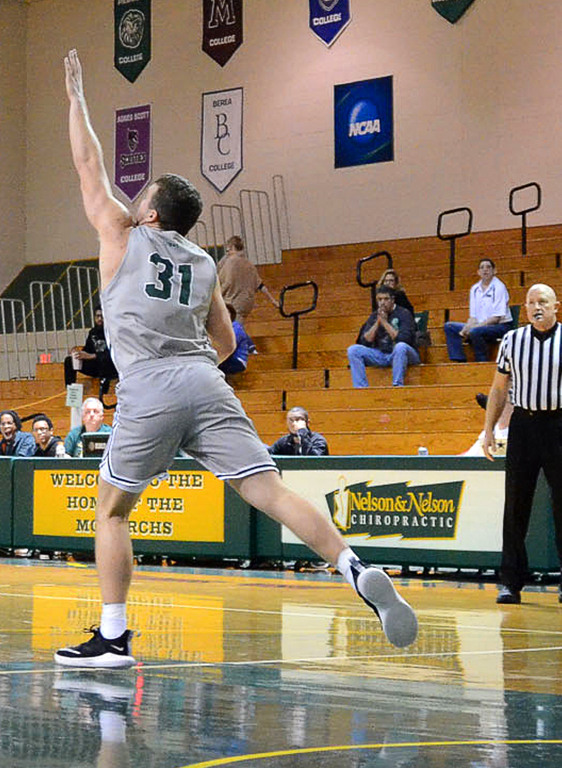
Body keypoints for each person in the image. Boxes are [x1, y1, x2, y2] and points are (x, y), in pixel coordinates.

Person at [52, 48, 415, 670]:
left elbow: (89, 162)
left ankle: (112, 636)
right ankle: (353, 565)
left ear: (151, 213)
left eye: (141, 194)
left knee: (110, 510)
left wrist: (77, 98)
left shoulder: (121, 232)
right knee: (270, 489)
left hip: (149, 383)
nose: (132, 198)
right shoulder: (202, 262)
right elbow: (226, 344)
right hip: (205, 380)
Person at [478, 284, 562, 606]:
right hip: (523, 424)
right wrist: (488, 429)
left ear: (556, 306)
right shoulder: (512, 340)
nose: (537, 307)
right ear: (525, 308)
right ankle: (510, 583)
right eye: (531, 302)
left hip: (560, 424)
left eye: (543, 302)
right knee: (515, 506)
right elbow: (498, 389)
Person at [347, 287, 418, 388]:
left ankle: (397, 385)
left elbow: (404, 339)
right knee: (353, 350)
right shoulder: (374, 315)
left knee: (400, 346)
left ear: (392, 300)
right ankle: (361, 388)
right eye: (380, 299)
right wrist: (378, 322)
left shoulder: (404, 314)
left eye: (386, 299)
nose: (382, 303)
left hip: (404, 354)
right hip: (382, 354)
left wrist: (385, 323)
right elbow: (365, 341)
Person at [444, 259, 511, 363]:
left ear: (494, 271)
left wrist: (473, 328)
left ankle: (482, 362)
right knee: (449, 327)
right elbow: (473, 317)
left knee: (475, 332)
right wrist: (466, 328)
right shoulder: (474, 289)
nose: (485, 270)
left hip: (500, 326)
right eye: (482, 267)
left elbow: (496, 318)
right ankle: (459, 360)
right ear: (478, 272)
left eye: (488, 267)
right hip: (480, 325)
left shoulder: (499, 287)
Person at [64, 307, 119, 399]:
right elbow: (87, 350)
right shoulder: (93, 332)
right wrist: (78, 352)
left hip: (109, 366)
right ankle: (72, 396)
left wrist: (93, 356)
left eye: (102, 316)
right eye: (97, 316)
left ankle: (104, 397)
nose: (100, 319)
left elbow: (114, 353)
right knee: (69, 361)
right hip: (95, 365)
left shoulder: (113, 332)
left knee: (104, 362)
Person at [217, 235, 275, 322]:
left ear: (232, 247)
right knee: (238, 324)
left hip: (233, 303)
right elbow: (260, 284)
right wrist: (272, 300)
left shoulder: (230, 262)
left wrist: (216, 297)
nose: (228, 253)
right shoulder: (249, 264)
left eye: (228, 249)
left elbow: (226, 282)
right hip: (247, 303)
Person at [219, 307, 256, 376]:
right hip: (228, 358)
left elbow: (230, 345)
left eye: (226, 313)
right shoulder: (221, 327)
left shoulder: (236, 327)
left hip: (237, 360)